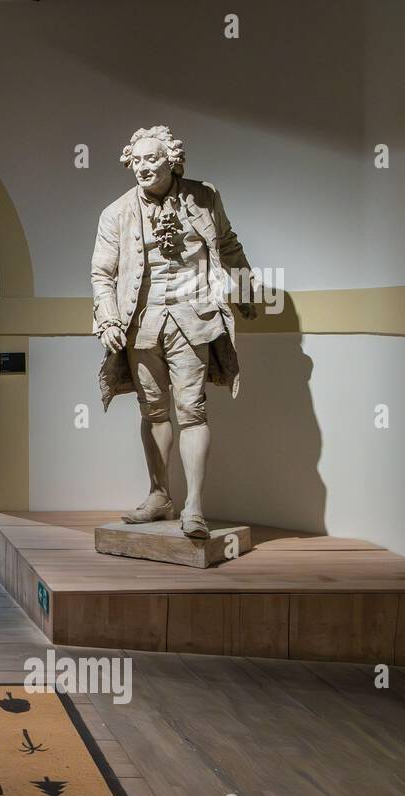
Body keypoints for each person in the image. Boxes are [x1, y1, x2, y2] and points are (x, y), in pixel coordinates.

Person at [91, 125, 256, 539]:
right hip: (142, 323)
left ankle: (194, 505)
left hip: (194, 318)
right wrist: (109, 319)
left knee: (193, 410)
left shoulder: (205, 197)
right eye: (137, 161)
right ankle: (159, 495)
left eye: (152, 159)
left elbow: (228, 243)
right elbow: (102, 274)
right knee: (153, 410)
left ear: (171, 160)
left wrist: (246, 286)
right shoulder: (115, 213)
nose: (143, 168)